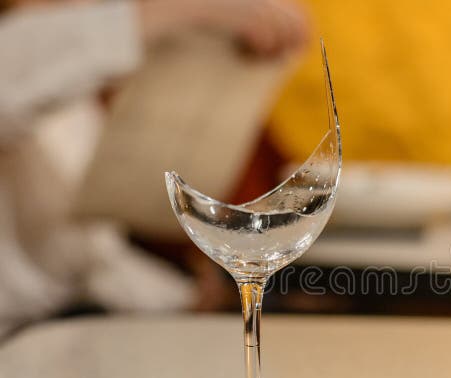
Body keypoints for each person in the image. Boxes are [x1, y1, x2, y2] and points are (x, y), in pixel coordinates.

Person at [0, 0, 308, 336]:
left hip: (57, 336)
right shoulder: (28, 64)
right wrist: (183, 10)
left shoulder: (67, 102)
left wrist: (186, 298)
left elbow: (84, 262)